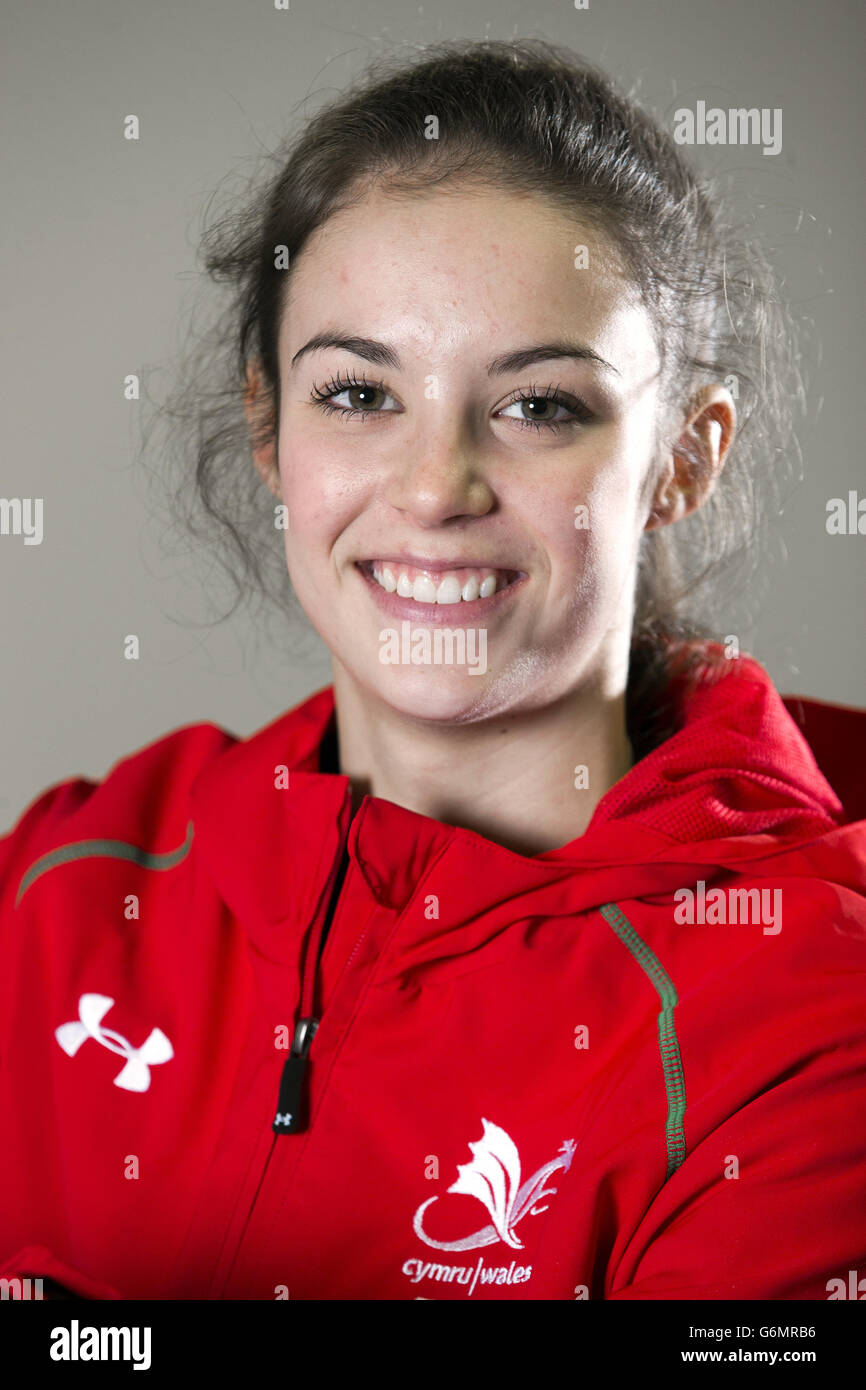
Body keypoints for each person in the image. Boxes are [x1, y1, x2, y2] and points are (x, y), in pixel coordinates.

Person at [1, 38, 864, 1302]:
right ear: (268, 425)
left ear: (684, 456)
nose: (432, 487)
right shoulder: (70, 888)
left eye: (539, 405)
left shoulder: (808, 1015)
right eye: (358, 394)